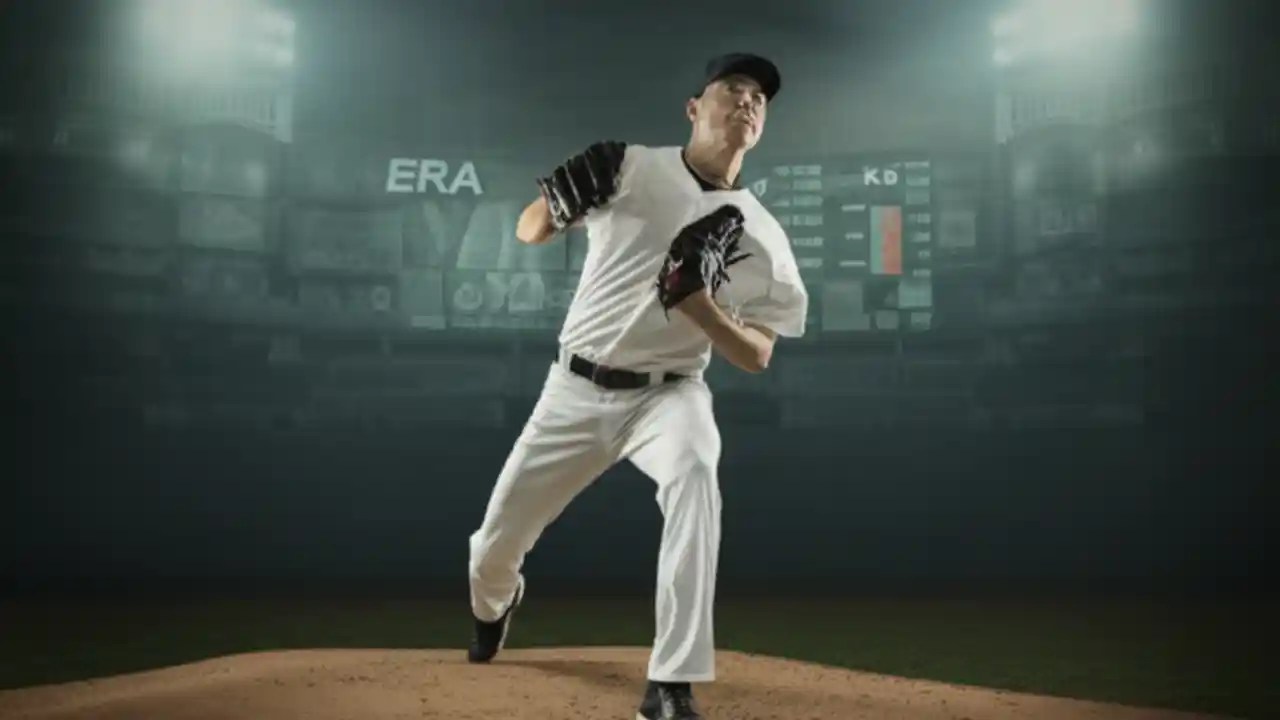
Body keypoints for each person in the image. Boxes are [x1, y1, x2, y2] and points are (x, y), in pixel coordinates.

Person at [465, 52, 808, 720]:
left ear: (761, 124)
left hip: (669, 393)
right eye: (732, 89)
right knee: (492, 548)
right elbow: (529, 231)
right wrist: (558, 199)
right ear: (693, 108)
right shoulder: (630, 166)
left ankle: (671, 682)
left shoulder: (762, 234)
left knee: (697, 471)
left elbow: (759, 353)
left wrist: (700, 306)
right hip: (575, 388)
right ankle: (494, 603)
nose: (746, 102)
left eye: (758, 99)